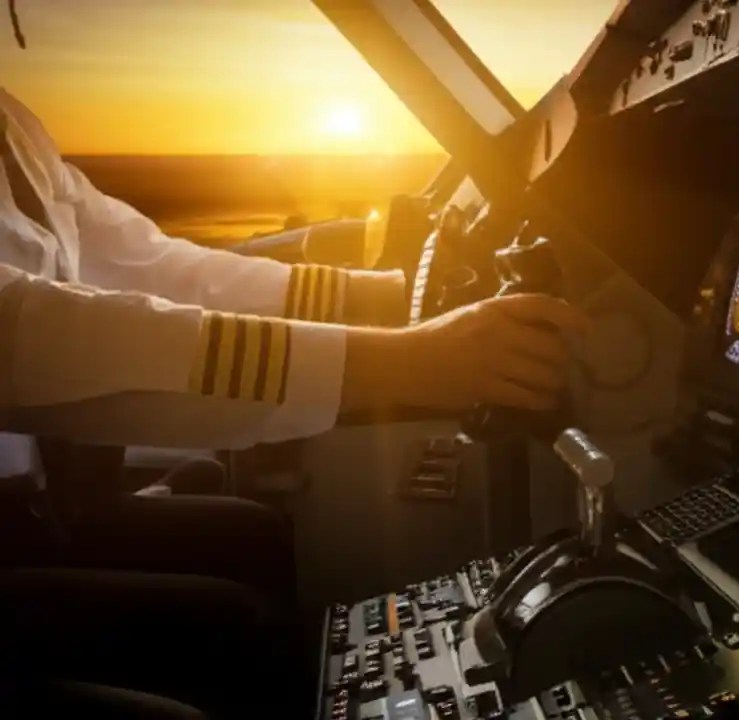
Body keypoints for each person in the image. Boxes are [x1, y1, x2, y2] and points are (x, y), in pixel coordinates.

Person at [0, 81, 588, 717]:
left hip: (35, 508)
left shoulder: (13, 123)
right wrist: (405, 362)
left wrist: (384, 298)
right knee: (228, 633)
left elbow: (150, 265)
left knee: (249, 536)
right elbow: (22, 333)